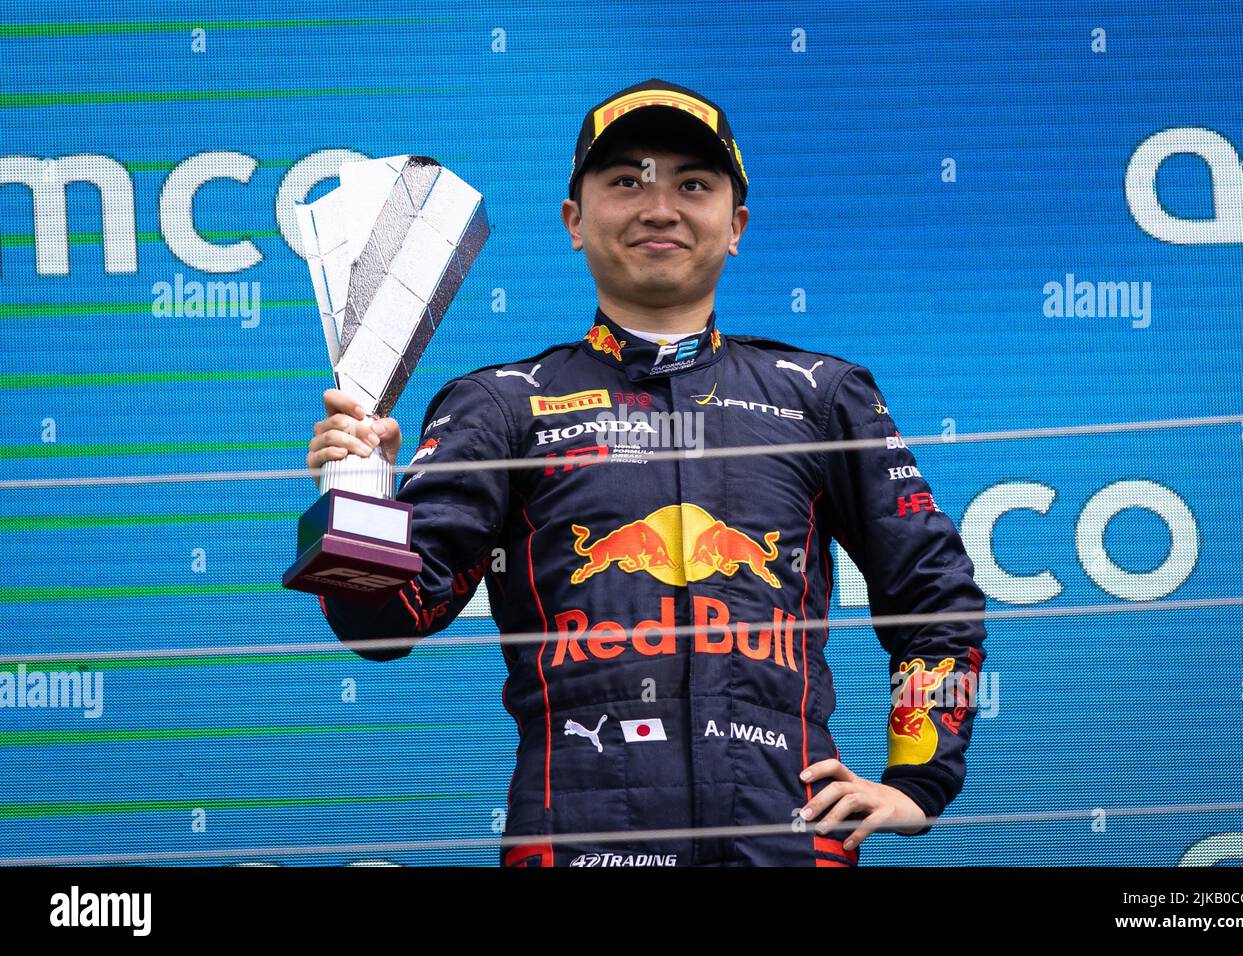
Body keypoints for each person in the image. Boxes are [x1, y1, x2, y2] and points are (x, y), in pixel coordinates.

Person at [305, 79, 988, 867]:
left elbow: (935, 599)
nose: (658, 206)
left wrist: (920, 780)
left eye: (692, 184)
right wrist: (357, 493)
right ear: (574, 221)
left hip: (790, 846)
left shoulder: (821, 394)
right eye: (626, 180)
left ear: (735, 226)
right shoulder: (500, 405)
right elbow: (384, 625)